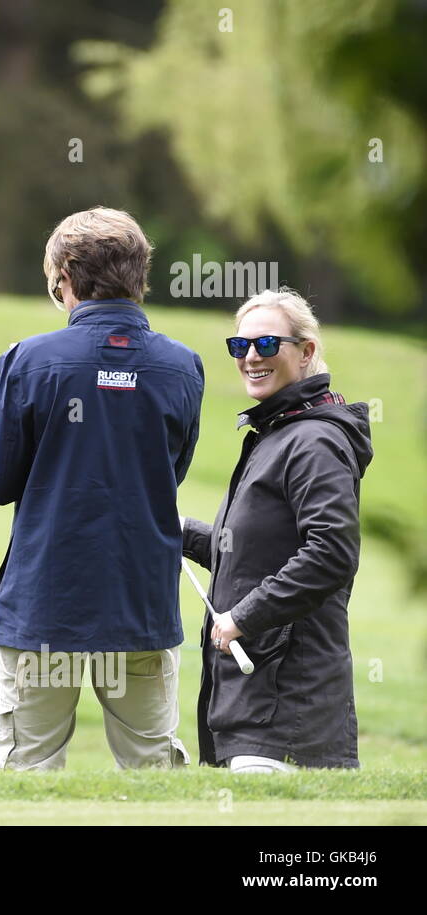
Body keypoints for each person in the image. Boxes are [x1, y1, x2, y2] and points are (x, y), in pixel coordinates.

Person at [0, 206, 204, 770]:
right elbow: (168, 475)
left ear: (66, 278)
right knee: (152, 770)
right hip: (141, 604)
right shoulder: (184, 367)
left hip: (45, 604)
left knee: (29, 770)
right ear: (138, 277)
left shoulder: (26, 361)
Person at [182, 288, 371, 772]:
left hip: (289, 713)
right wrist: (177, 531)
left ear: (306, 352)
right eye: (239, 346)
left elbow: (331, 552)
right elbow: (248, 550)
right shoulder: (278, 433)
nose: (250, 357)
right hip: (251, 706)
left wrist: (243, 617)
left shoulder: (314, 440)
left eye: (267, 345)